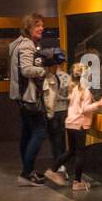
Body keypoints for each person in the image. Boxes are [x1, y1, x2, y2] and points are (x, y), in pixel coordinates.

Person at [47, 62, 102, 191]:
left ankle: (52, 170)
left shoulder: (74, 89)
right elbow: (85, 109)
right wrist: (99, 104)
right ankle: (77, 182)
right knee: (80, 153)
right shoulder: (84, 91)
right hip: (80, 125)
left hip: (70, 123)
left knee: (71, 151)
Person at [8, 13, 49, 185]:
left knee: (27, 132)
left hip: (20, 96)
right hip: (29, 96)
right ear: (28, 27)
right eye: (37, 25)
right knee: (39, 131)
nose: (41, 28)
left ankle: (28, 170)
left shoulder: (16, 43)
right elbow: (26, 69)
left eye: (42, 25)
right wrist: (45, 70)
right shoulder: (27, 45)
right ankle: (26, 173)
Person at [40, 50, 71, 183]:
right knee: (61, 140)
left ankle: (58, 165)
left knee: (55, 140)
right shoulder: (66, 76)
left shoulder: (46, 77)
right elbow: (70, 93)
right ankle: (61, 167)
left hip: (51, 112)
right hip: (64, 110)